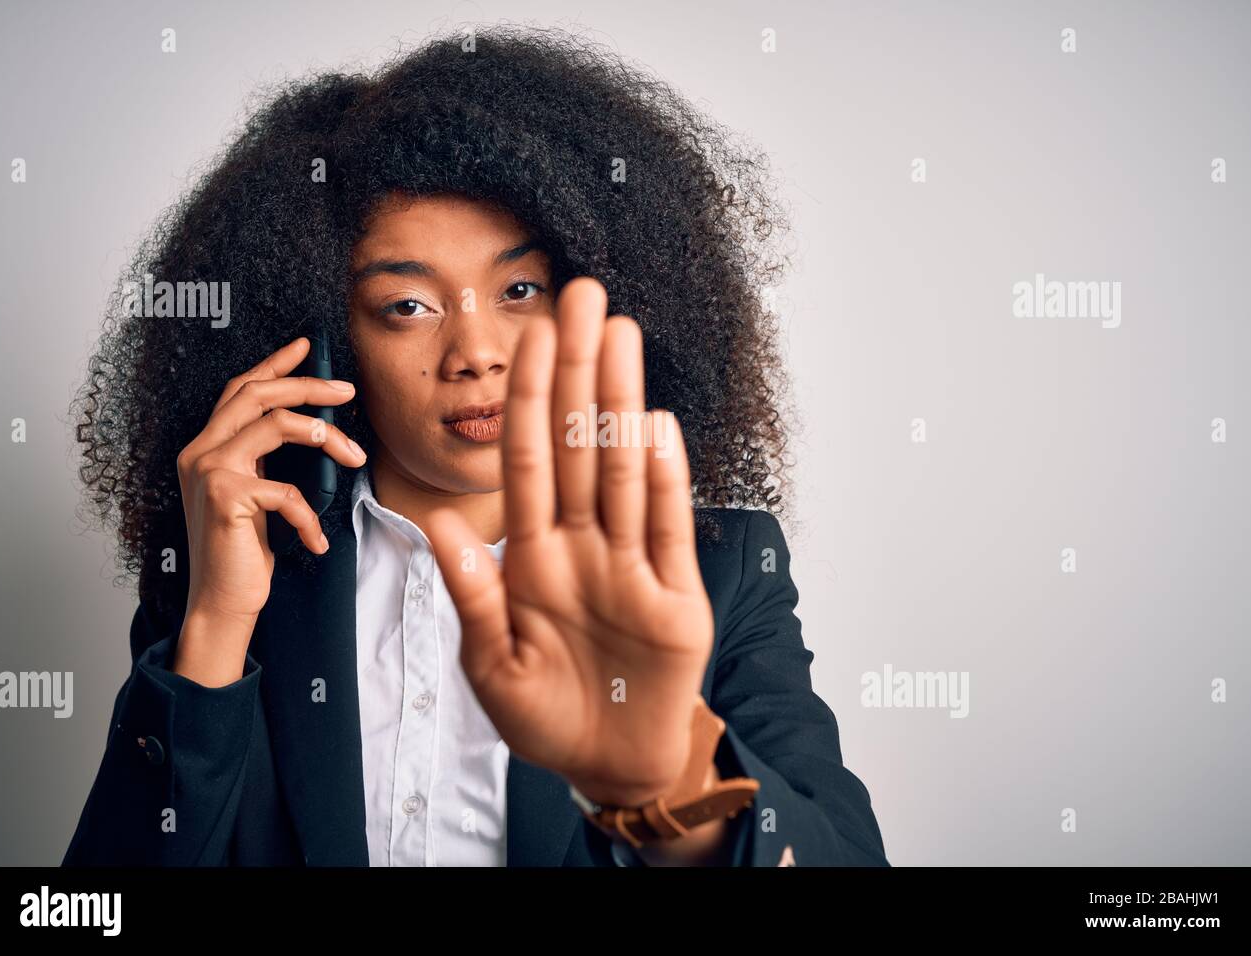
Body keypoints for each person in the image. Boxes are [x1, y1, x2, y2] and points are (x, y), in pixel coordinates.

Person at [61, 25, 888, 867]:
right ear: (321, 338)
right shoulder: (236, 570)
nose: (476, 353)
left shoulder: (722, 566)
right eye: (407, 306)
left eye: (519, 290)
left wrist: (671, 780)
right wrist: (213, 623)